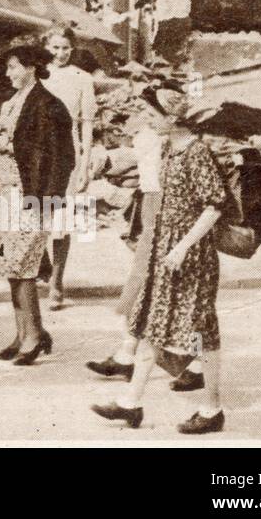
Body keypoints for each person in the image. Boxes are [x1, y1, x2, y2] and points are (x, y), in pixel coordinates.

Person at [92, 83, 229, 434]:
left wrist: (182, 247)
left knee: (201, 334)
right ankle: (130, 403)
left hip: (191, 255)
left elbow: (215, 205)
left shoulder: (196, 152)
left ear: (172, 117)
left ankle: (212, 410)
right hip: (166, 248)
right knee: (152, 324)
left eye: (153, 115)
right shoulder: (169, 148)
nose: (147, 120)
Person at [86, 89, 204, 391]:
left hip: (166, 209)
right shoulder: (153, 135)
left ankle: (193, 361)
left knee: (162, 286)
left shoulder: (172, 141)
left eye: (151, 112)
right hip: (152, 205)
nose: (144, 117)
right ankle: (130, 354)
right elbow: (136, 162)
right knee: (150, 284)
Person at [0, 43, 74, 366]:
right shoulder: (9, 102)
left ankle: (33, 337)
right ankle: (24, 333)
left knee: (23, 264)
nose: (9, 73)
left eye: (14, 67)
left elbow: (62, 158)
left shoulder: (49, 106)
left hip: (31, 195)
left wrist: (48, 201)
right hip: (6, 193)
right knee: (12, 266)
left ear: (31, 67)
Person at [40, 25, 96, 309]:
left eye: (65, 48)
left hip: (67, 152)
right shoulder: (36, 75)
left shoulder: (82, 79)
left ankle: (56, 283)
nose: (60, 54)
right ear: (46, 47)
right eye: (55, 48)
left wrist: (85, 164)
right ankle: (44, 269)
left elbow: (87, 124)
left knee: (62, 220)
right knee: (35, 215)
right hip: (38, 151)